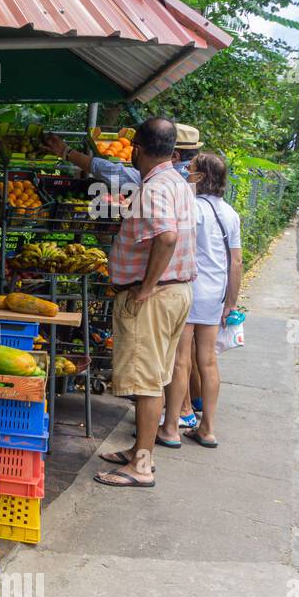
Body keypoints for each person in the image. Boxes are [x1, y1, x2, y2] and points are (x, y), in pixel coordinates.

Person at [93, 117, 197, 488]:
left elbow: (166, 237)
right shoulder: (178, 181)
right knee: (154, 375)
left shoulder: (153, 188)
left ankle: (140, 465)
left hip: (156, 295)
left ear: (136, 149)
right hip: (178, 292)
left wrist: (146, 287)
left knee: (146, 381)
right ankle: (140, 449)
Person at [159, 152, 242, 448]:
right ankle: (207, 429)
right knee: (207, 361)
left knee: (181, 361)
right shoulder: (230, 213)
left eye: (190, 169)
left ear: (201, 177)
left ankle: (170, 428)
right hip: (214, 296)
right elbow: (236, 262)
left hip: (189, 290)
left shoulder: (192, 209)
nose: (185, 171)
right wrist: (231, 302)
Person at [43, 122, 202, 187]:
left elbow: (113, 172)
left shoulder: (162, 180)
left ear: (175, 155)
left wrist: (66, 152)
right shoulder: (203, 176)